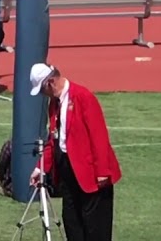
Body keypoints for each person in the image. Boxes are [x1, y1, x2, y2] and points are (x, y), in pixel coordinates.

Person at [29, 63, 120, 241]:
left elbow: (98, 135)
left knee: (95, 227)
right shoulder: (54, 104)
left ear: (50, 83)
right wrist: (41, 168)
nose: (42, 94)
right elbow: (53, 139)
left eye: (42, 90)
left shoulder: (83, 97)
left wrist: (102, 172)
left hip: (91, 173)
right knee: (72, 222)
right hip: (68, 171)